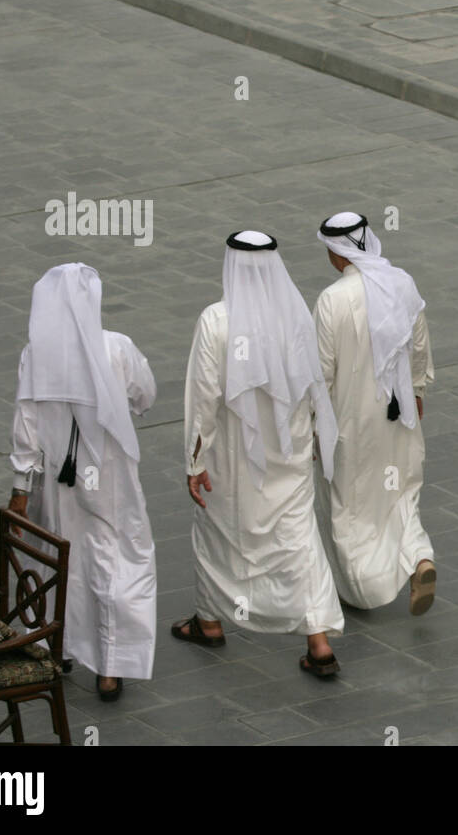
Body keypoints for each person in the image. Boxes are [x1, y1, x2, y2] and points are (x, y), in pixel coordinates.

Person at [180, 230, 346, 677]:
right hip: (289, 451)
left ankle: (210, 621)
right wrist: (312, 435)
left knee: (219, 535)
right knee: (298, 539)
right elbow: (314, 384)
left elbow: (203, 398)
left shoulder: (216, 320)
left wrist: (195, 462)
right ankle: (319, 642)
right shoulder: (295, 317)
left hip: (233, 459)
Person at [7, 263, 157, 702]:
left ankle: (61, 643)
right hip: (111, 475)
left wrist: (20, 486)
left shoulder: (35, 354)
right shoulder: (117, 347)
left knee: (58, 555)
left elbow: (26, 424)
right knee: (114, 558)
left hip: (56, 479)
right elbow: (144, 396)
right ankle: (110, 668)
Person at [313, 212, 437, 616]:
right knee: (402, 492)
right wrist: (416, 388)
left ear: (336, 253)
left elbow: (321, 371)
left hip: (352, 421)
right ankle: (419, 557)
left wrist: (315, 425)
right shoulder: (402, 283)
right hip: (399, 415)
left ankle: (364, 589)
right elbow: (418, 345)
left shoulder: (333, 299)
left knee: (353, 503)